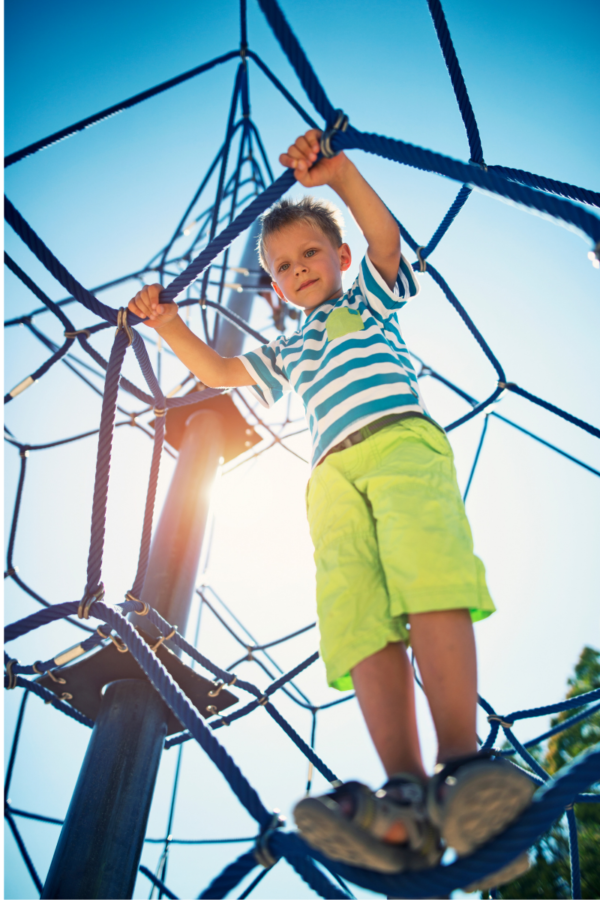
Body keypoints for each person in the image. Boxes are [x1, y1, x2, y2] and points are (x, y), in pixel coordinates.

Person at [128, 129, 534, 876]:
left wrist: (340, 175)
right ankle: (407, 794)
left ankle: (461, 764)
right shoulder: (288, 350)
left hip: (399, 444)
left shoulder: (369, 302)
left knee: (430, 579)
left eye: (311, 254)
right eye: (283, 267)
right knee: (356, 619)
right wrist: (168, 323)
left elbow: (384, 238)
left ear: (338, 259)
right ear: (275, 288)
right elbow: (218, 370)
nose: (298, 270)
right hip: (328, 479)